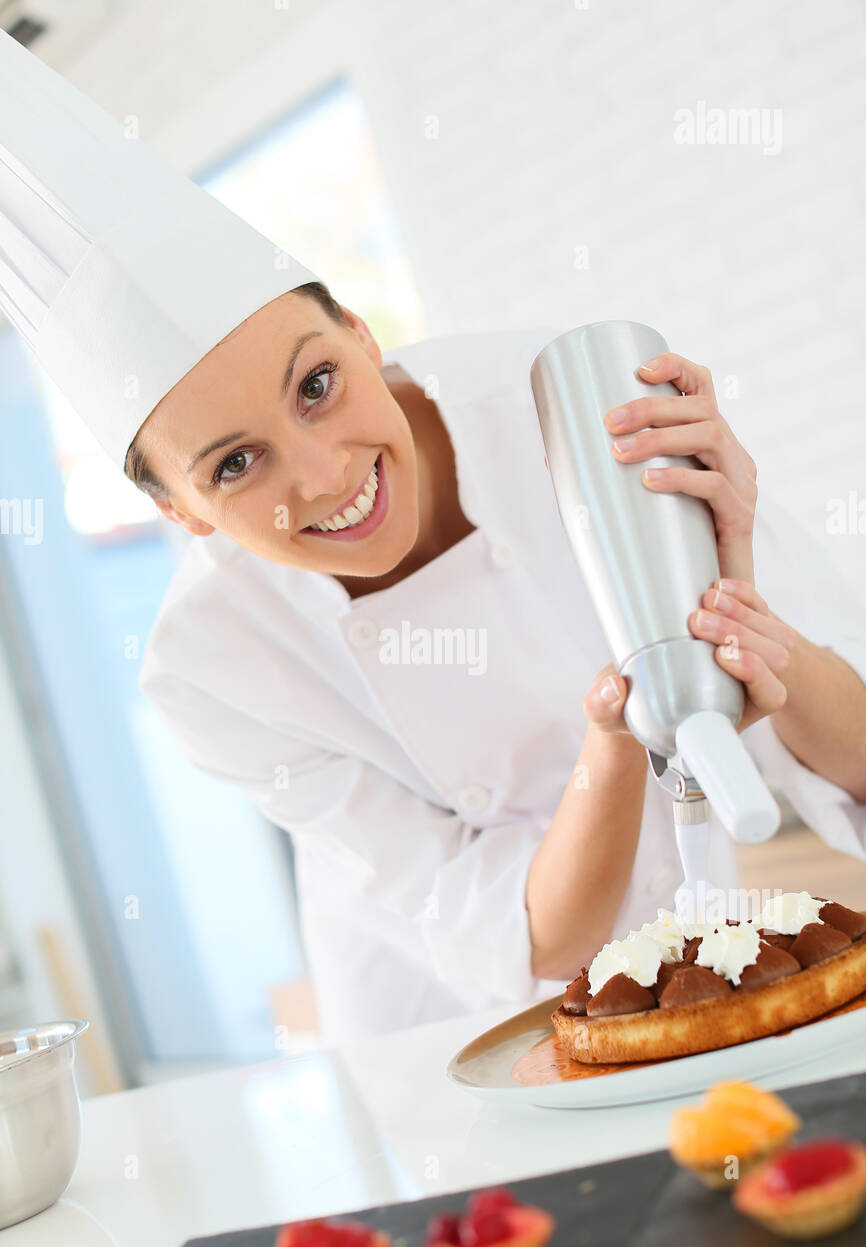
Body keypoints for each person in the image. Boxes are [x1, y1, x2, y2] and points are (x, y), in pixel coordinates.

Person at [1, 32, 864, 1043]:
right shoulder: (210, 668)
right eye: (236, 465)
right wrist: (613, 740)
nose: (323, 476)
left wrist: (735, 582)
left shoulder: (576, 405)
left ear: (364, 335)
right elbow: (526, 939)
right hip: (444, 1030)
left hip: (715, 938)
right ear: (182, 516)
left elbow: (853, 751)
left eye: (316, 385)